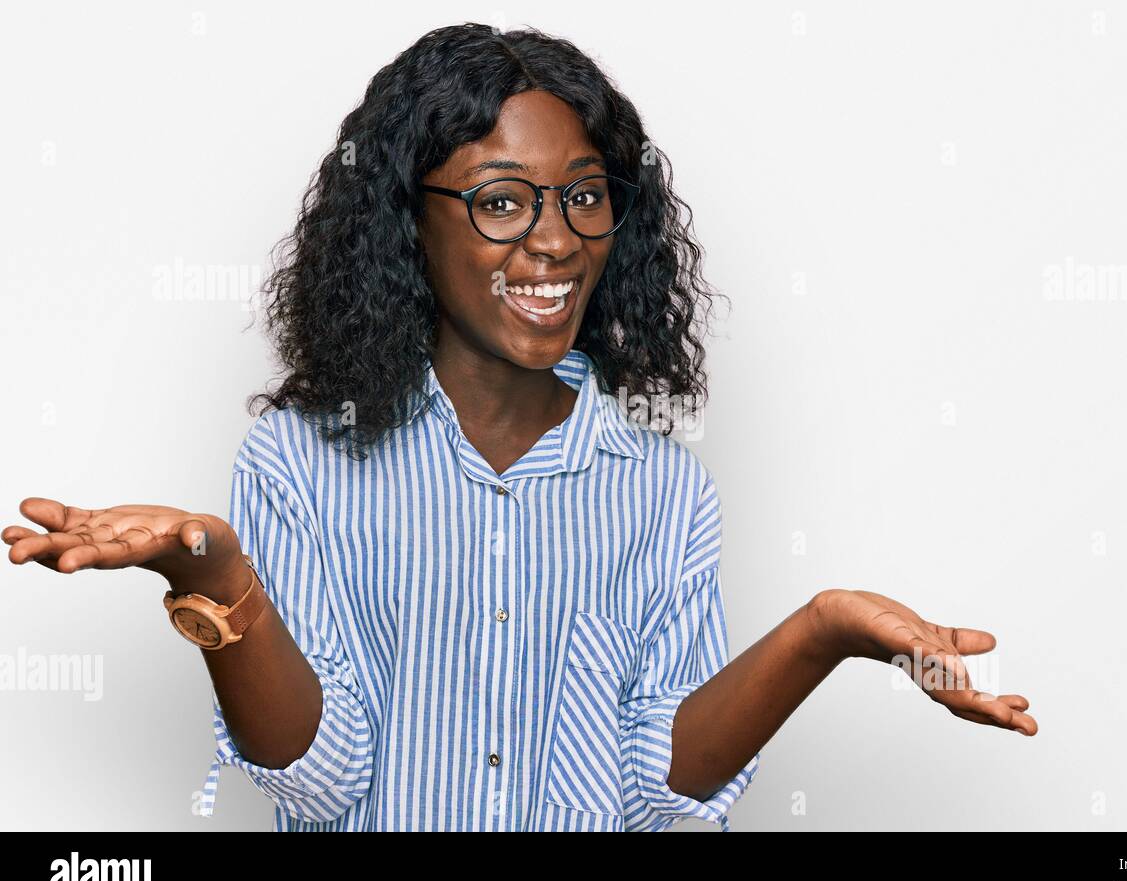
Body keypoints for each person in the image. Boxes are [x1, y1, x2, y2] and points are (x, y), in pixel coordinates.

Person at [2, 22, 1037, 832]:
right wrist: (216, 579)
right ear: (408, 220)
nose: (554, 241)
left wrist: (824, 630)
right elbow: (320, 783)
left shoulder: (662, 492)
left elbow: (650, 790)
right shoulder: (300, 460)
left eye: (584, 195)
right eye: (502, 203)